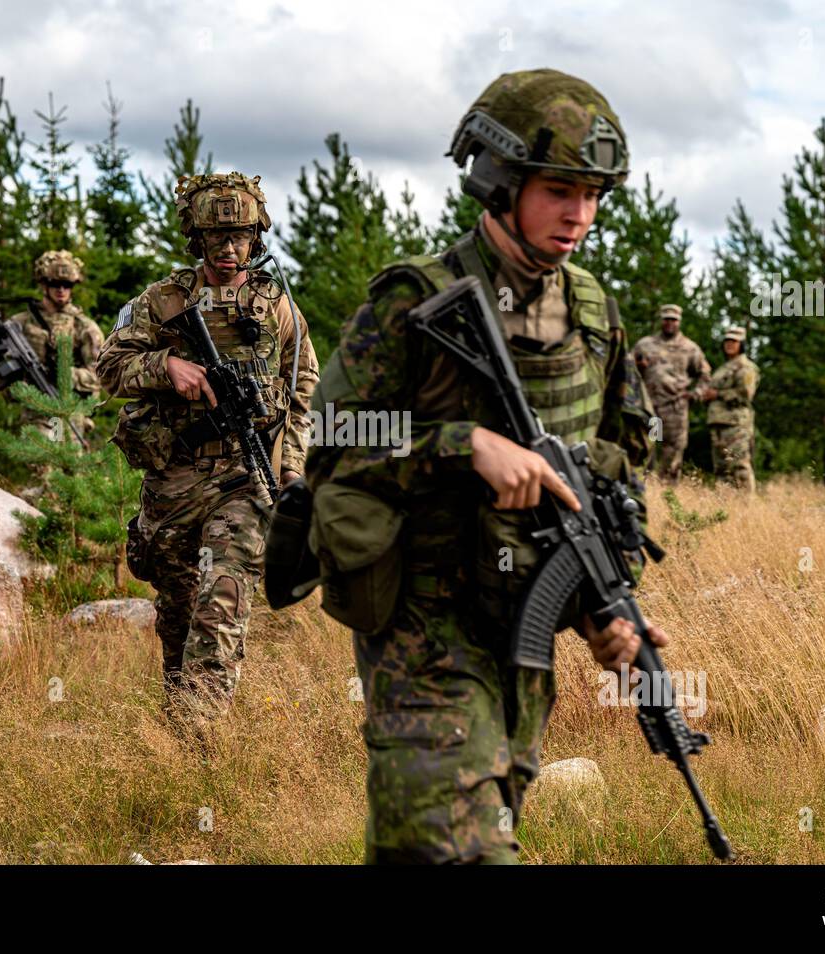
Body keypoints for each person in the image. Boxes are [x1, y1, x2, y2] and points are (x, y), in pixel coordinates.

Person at [305, 68, 671, 864]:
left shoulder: (595, 315)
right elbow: (329, 436)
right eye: (559, 189)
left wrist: (605, 610)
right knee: (458, 849)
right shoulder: (416, 300)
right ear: (500, 181)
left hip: (523, 642)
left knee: (446, 838)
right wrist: (461, 443)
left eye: (595, 194)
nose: (581, 214)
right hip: (424, 630)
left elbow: (606, 483)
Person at [95, 172, 318, 724]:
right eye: (217, 238)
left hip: (245, 476)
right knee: (177, 612)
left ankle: (202, 733)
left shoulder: (277, 307)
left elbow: (302, 388)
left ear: (256, 237)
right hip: (174, 479)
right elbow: (108, 368)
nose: (230, 248)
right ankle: (178, 730)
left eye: (240, 236)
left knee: (222, 602)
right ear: (196, 238)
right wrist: (166, 367)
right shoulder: (162, 301)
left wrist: (289, 467)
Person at [0, 249, 104, 452]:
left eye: (67, 285)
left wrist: (66, 375)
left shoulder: (85, 328)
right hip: (36, 410)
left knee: (73, 475)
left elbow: (101, 375)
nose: (61, 289)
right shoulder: (20, 323)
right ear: (43, 284)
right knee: (45, 465)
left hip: (70, 411)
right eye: (55, 284)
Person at [631, 303, 711, 482]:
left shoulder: (689, 348)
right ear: (661, 320)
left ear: (679, 322)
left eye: (673, 320)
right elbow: (626, 369)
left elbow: (705, 374)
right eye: (666, 319)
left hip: (675, 409)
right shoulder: (645, 345)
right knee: (648, 448)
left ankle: (669, 495)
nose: (669, 323)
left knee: (673, 451)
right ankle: (647, 490)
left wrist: (695, 394)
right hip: (651, 409)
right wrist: (637, 366)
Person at [702, 326, 759, 492]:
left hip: (736, 424)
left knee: (739, 465)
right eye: (727, 340)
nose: (729, 344)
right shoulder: (724, 368)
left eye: (734, 341)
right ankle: (726, 508)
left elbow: (746, 394)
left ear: (741, 344)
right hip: (718, 423)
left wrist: (717, 394)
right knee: (721, 469)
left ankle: (747, 506)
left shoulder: (746, 367)